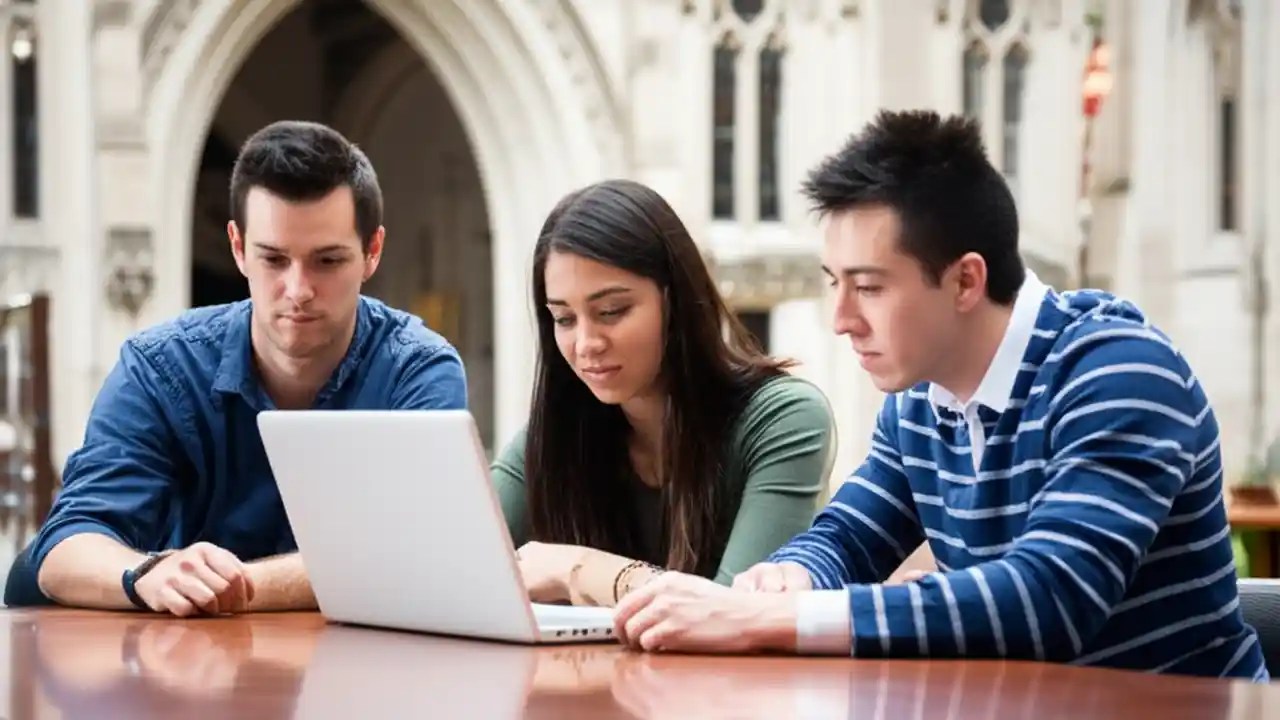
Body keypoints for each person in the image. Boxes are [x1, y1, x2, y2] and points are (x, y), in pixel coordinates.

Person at [611, 110, 1268, 680]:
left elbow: (1048, 601)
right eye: (833, 282)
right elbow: (847, 535)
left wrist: (769, 619)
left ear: (964, 282)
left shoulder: (1118, 372)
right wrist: (788, 578)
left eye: (868, 287)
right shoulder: (921, 403)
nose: (840, 317)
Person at [6, 120, 468, 615]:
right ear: (238, 247)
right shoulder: (160, 366)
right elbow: (65, 546)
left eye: (327, 261)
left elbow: (419, 555)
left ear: (371, 251)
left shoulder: (418, 370)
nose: (298, 290)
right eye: (273, 259)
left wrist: (225, 586)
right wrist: (145, 574)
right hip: (183, 675)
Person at [492, 178, 836, 607]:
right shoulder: (551, 440)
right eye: (563, 319)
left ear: (674, 300)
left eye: (611, 311)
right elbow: (457, 570)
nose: (585, 343)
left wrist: (578, 570)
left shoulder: (782, 419)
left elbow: (739, 613)